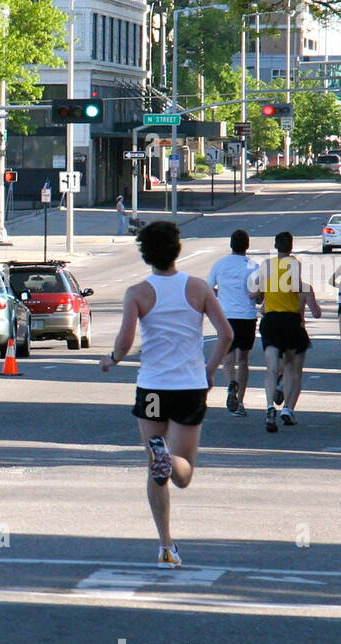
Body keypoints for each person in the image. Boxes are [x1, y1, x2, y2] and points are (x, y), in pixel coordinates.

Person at [100, 221, 233, 569]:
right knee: (183, 474)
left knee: (155, 471)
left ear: (146, 255)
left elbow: (126, 342)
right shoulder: (199, 288)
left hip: (152, 388)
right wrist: (211, 369)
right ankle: (169, 457)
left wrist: (112, 359)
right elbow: (226, 334)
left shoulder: (137, 293)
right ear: (177, 249)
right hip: (189, 386)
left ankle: (166, 545)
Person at [251, 231, 322, 433]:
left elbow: (257, 297)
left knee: (272, 367)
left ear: (275, 246)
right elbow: (295, 285)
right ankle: (288, 409)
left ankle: (268, 407)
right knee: (291, 366)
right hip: (290, 321)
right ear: (291, 247)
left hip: (270, 320)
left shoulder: (266, 266)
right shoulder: (293, 264)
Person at [207, 229, 259, 416]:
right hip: (246, 316)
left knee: (228, 359)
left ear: (231, 245)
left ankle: (231, 385)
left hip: (226, 316)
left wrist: (220, 296)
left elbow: (208, 288)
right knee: (243, 360)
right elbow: (258, 296)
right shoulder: (253, 267)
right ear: (247, 246)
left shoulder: (220, 265)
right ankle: (241, 402)